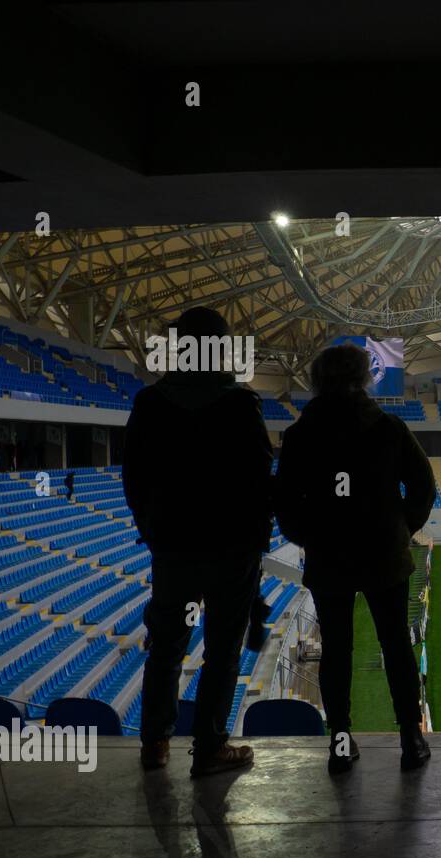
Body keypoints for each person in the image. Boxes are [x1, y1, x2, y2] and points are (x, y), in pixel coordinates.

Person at [123, 307, 272, 776]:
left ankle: (155, 745)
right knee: (222, 651)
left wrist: (152, 530)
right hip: (230, 547)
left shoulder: (151, 403)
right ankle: (209, 747)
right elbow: (257, 479)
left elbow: (135, 477)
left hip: (172, 546)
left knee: (166, 647)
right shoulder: (239, 404)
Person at [274, 343, 434, 774]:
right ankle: (410, 738)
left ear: (317, 380)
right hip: (383, 554)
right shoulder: (388, 428)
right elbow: (423, 487)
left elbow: (284, 504)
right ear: (364, 378)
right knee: (396, 644)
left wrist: (312, 537)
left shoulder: (300, 435)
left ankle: (341, 743)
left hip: (330, 558)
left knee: (337, 651)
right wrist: (402, 531)